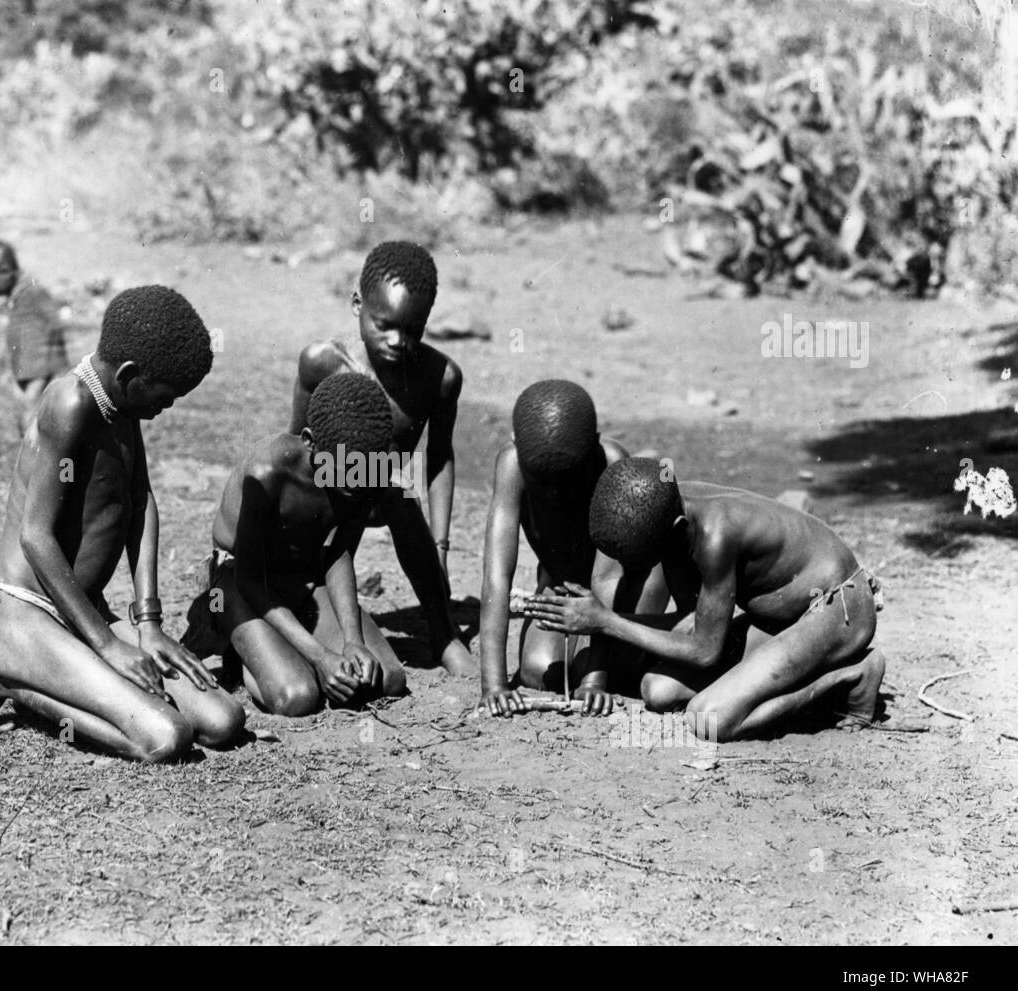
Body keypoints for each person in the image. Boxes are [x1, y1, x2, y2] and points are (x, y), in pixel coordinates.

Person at [0, 285, 244, 761]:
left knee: (221, 720)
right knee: (165, 737)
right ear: (131, 376)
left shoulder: (122, 406)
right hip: (28, 615)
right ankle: (1, 675)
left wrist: (148, 625)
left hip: (83, 611)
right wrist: (108, 645)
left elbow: (141, 502)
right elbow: (36, 538)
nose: (165, 409)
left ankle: (59, 668)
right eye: (165, 397)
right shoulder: (69, 405)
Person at [524, 456, 886, 741]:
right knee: (658, 690)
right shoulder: (666, 506)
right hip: (783, 620)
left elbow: (704, 650)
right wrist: (597, 617)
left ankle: (849, 675)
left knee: (709, 719)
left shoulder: (714, 537)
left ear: (675, 531)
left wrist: (605, 621)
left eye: (637, 560)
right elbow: (692, 628)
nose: (631, 569)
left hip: (835, 611)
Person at [289, 241, 476, 676]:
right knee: (382, 488)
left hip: (387, 492)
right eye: (384, 325)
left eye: (413, 329)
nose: (398, 341)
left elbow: (440, 458)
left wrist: (441, 547)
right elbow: (296, 445)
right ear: (357, 304)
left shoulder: (439, 378)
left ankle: (442, 632)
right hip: (330, 492)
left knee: (395, 490)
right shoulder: (322, 363)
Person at [184, 371, 407, 716]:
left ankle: (287, 648)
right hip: (240, 582)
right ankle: (238, 645)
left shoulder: (368, 465)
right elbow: (249, 578)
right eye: (342, 468)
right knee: (298, 696)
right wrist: (320, 656)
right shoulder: (269, 472)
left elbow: (339, 553)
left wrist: (353, 642)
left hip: (303, 578)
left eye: (362, 471)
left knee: (386, 678)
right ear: (310, 441)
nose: (352, 481)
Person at [478, 381, 669, 717]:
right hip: (565, 578)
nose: (556, 496)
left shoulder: (611, 463)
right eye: (543, 485)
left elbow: (610, 578)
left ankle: (652, 645)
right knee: (539, 672)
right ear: (516, 446)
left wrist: (595, 681)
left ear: (594, 445)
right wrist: (494, 685)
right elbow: (497, 577)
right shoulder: (511, 466)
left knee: (616, 674)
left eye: (569, 483)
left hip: (628, 584)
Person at [0, 239, 69, 435]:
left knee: (33, 418)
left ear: (5, 271)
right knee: (28, 417)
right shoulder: (20, 296)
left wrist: (44, 375)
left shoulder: (33, 293)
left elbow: (50, 333)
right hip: (29, 371)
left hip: (39, 372)